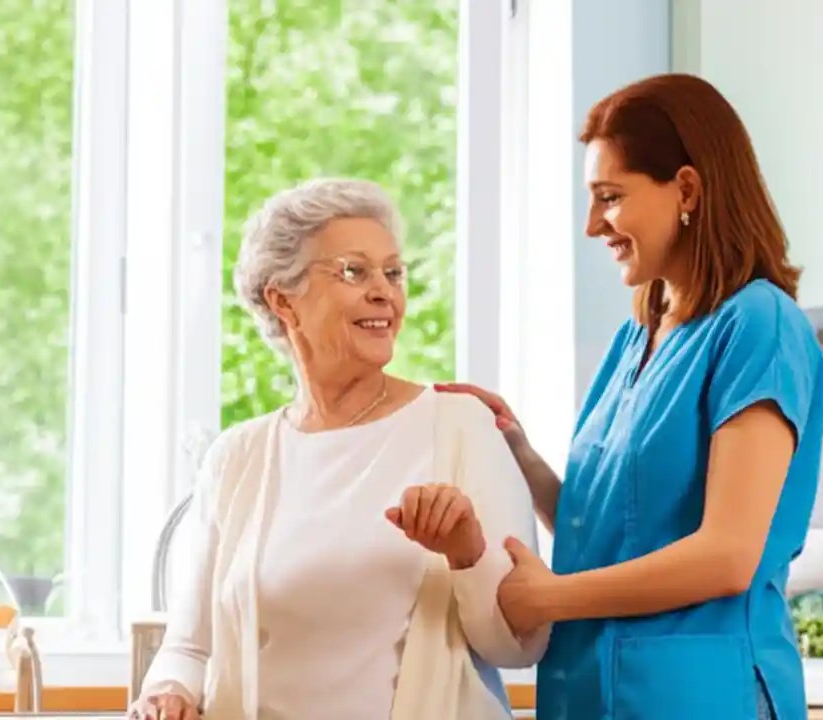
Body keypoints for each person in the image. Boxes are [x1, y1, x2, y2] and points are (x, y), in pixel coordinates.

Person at [440, 73, 823, 720]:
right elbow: (614, 534)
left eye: (610, 197)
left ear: (687, 189)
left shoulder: (759, 325)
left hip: (702, 698)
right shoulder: (636, 336)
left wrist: (549, 599)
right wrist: (520, 452)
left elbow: (728, 556)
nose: (593, 225)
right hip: (592, 692)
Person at [128, 178, 548, 720]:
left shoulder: (463, 426)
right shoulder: (237, 457)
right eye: (354, 271)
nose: (384, 292)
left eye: (393, 273)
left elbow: (521, 647)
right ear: (283, 300)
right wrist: (166, 693)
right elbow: (189, 647)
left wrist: (466, 555)